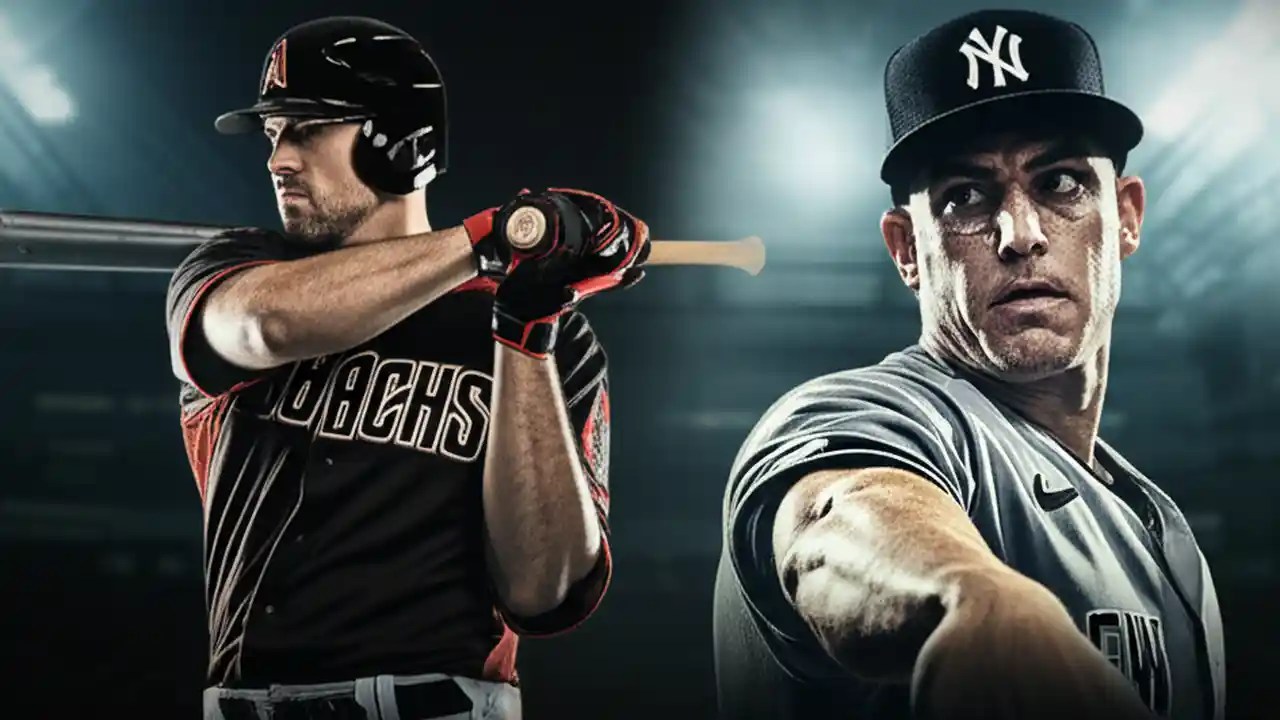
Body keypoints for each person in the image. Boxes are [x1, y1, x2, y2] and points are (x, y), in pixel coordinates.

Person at [713, 9, 1224, 720]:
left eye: (1062, 183)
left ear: (1128, 215)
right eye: (964, 197)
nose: (1020, 234)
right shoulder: (859, 416)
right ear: (906, 249)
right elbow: (835, 518)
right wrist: (969, 599)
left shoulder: (1167, 540)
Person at [164, 16, 648, 720]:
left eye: (307, 127)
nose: (278, 158)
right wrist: (486, 239)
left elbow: (544, 591)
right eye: (273, 134)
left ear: (399, 142)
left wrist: (526, 329)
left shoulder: (551, 336)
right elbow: (265, 324)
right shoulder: (234, 269)